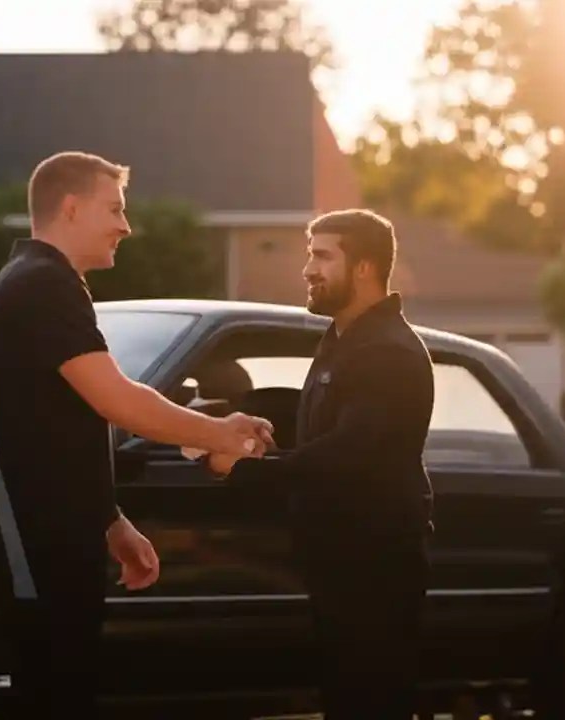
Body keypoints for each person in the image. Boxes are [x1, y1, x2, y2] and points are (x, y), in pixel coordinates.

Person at [0, 150, 271, 718]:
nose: (125, 226)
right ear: (72, 208)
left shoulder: (29, 282)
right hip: (42, 551)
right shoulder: (43, 286)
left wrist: (109, 519)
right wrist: (221, 434)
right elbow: (120, 400)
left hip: (43, 542)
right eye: (115, 209)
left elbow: (54, 426)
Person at [203, 209, 435, 720]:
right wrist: (248, 430)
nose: (308, 268)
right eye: (310, 254)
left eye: (323, 255)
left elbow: (349, 453)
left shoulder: (388, 352)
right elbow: (325, 430)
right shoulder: (345, 340)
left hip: (375, 564)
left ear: (364, 269)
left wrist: (244, 470)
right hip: (340, 562)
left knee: (370, 700)